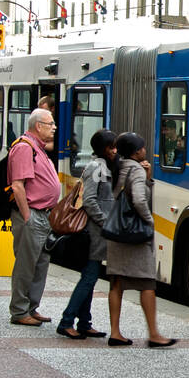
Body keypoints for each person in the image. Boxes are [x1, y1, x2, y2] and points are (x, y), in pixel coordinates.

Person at [105, 132, 175, 347]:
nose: (146, 150)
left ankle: (115, 332)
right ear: (137, 152)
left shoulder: (120, 166)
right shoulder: (135, 169)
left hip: (117, 233)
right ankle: (154, 333)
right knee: (147, 283)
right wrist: (149, 220)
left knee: (116, 283)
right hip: (134, 235)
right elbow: (138, 198)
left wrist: (147, 177)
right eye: (143, 147)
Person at [57, 129, 116, 340]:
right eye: (111, 147)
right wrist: (105, 222)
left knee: (90, 277)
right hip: (94, 233)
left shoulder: (104, 166)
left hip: (100, 233)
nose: (115, 151)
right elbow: (89, 200)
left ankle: (84, 322)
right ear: (102, 149)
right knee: (89, 277)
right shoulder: (95, 167)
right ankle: (66, 321)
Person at [8, 108, 62, 326]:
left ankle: (31, 307)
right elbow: (17, 186)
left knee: (40, 264)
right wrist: (27, 216)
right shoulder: (24, 147)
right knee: (26, 264)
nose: (54, 127)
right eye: (51, 124)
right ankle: (20, 311)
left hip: (44, 215)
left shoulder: (38, 148)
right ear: (38, 126)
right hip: (32, 214)